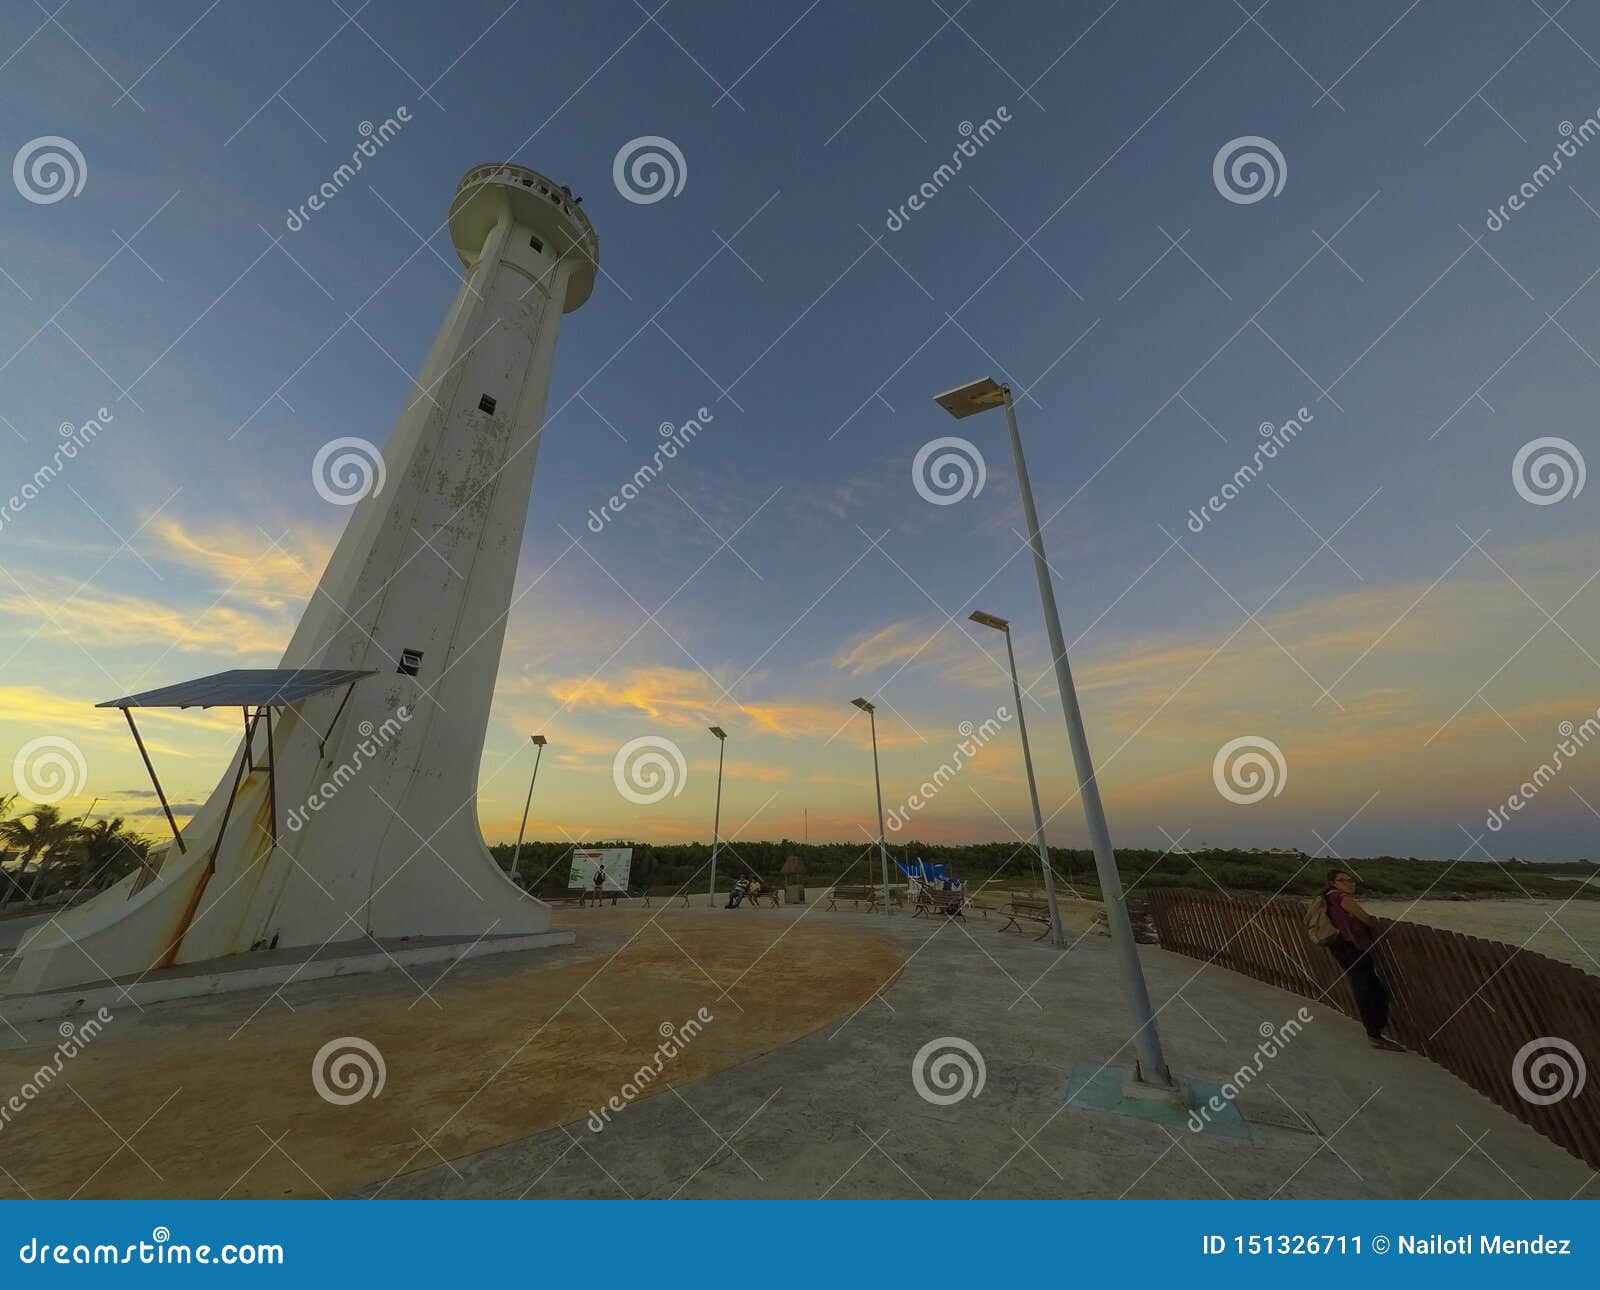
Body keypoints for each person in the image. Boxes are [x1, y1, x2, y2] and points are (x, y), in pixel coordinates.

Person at [1321, 869, 1403, 1051]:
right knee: (1369, 989)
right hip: (1352, 947)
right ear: (1333, 882)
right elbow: (1366, 919)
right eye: (1344, 880)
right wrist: (1376, 926)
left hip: (1340, 946)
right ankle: (1374, 1034)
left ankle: (1374, 1032)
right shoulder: (1340, 897)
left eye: (1351, 881)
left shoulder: (1326, 896)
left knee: (1364, 986)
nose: (1349, 884)